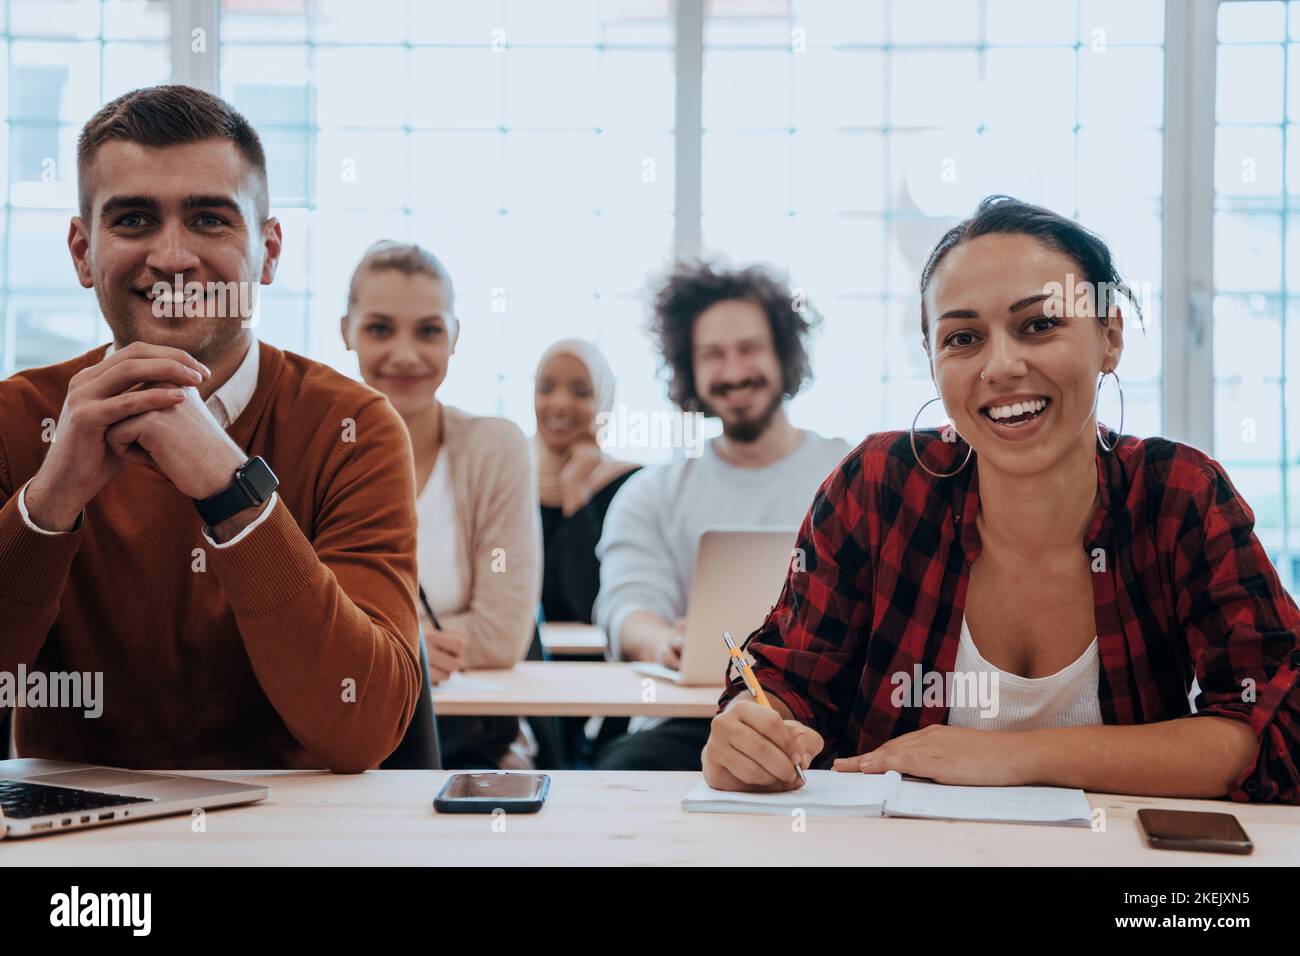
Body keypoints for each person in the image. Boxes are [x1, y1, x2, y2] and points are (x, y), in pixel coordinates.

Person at [704, 195, 1300, 804]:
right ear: (934, 362)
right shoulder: (878, 485)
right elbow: (787, 681)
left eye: (1039, 325)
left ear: (1110, 337)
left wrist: (1013, 755)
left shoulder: (1179, 494)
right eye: (963, 337)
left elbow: (1279, 731)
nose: (1000, 366)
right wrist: (752, 730)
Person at [0, 86, 420, 771]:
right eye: (134, 219)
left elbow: (361, 726)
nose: (171, 257)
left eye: (210, 220)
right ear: (83, 252)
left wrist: (231, 491)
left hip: (288, 836)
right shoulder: (15, 420)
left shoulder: (353, 427)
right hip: (73, 848)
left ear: (269, 251)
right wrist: (47, 506)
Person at [592, 262, 850, 770]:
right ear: (689, 368)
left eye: (749, 348)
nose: (733, 372)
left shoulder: (853, 474)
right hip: (691, 725)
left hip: (832, 720)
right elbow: (626, 607)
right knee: (625, 772)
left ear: (783, 353)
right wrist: (664, 640)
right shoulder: (651, 493)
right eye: (712, 355)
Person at [341, 241, 541, 769]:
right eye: (380, 329)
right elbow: (300, 632)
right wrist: (420, 645)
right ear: (347, 332)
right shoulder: (314, 445)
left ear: (455, 337)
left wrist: (372, 645)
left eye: (429, 330)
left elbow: (501, 637)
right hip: (343, 725)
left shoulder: (496, 446)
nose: (405, 354)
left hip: (471, 732)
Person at [534, 339, 640, 625]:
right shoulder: (511, 477)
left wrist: (576, 494)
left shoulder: (628, 486)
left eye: (581, 392)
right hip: (517, 660)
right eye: (546, 389)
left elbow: (590, 604)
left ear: (604, 399)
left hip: (596, 661)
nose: (559, 404)